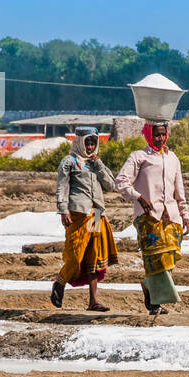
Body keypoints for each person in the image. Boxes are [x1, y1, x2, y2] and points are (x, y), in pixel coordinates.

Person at [115, 120, 189, 315]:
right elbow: (121, 181)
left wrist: (185, 215)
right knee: (154, 258)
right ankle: (155, 303)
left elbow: (179, 190)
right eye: (156, 135)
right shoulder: (138, 157)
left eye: (163, 134)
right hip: (149, 217)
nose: (160, 138)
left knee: (169, 257)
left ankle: (149, 285)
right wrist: (139, 197)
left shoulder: (173, 158)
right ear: (148, 135)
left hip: (171, 217)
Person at [51, 128, 118, 311]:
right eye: (87, 143)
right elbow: (62, 188)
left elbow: (111, 186)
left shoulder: (96, 163)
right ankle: (60, 282)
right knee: (75, 255)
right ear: (80, 142)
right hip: (78, 214)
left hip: (96, 214)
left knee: (93, 257)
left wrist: (100, 166)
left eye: (93, 143)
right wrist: (63, 210)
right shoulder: (69, 162)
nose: (90, 147)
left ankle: (93, 301)